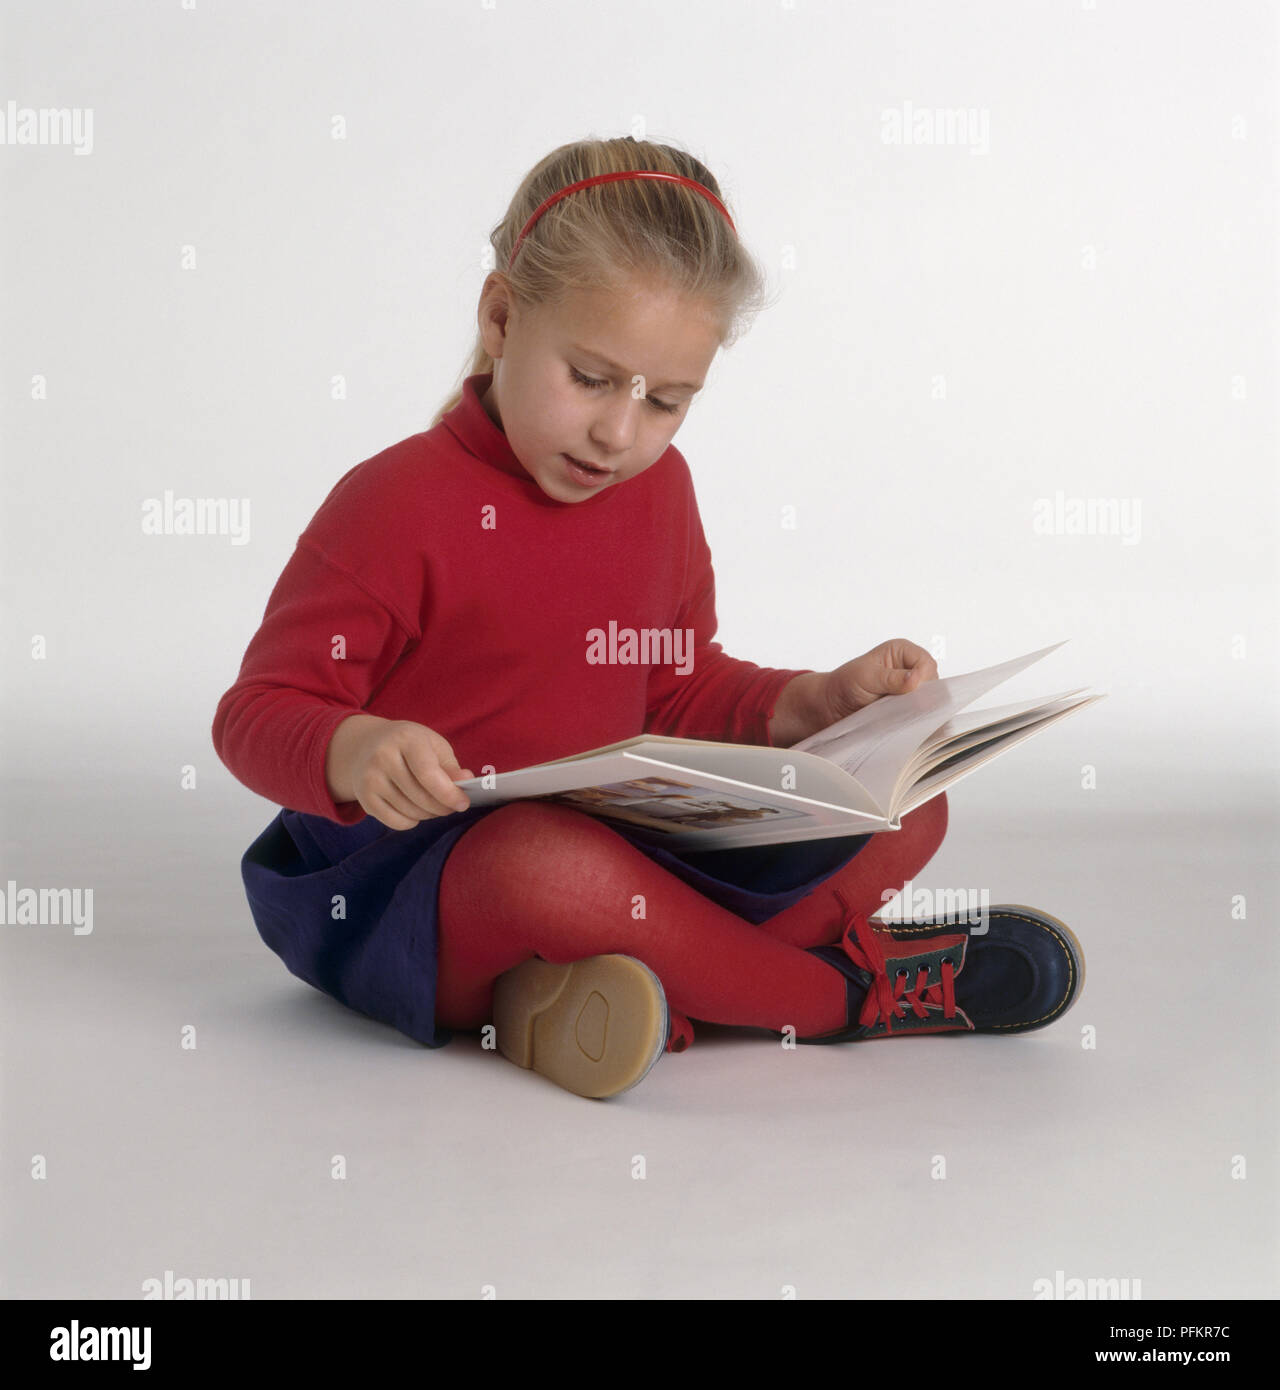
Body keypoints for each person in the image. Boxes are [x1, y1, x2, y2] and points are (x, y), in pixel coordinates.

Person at [212, 136, 1084, 1100]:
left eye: (668, 401)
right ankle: (833, 997)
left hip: (627, 863)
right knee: (538, 868)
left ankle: (595, 993)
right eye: (589, 378)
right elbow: (254, 712)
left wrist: (817, 703)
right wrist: (353, 747)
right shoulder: (395, 504)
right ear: (501, 319)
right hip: (415, 899)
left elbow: (678, 687)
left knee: (918, 799)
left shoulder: (659, 493)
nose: (619, 433)